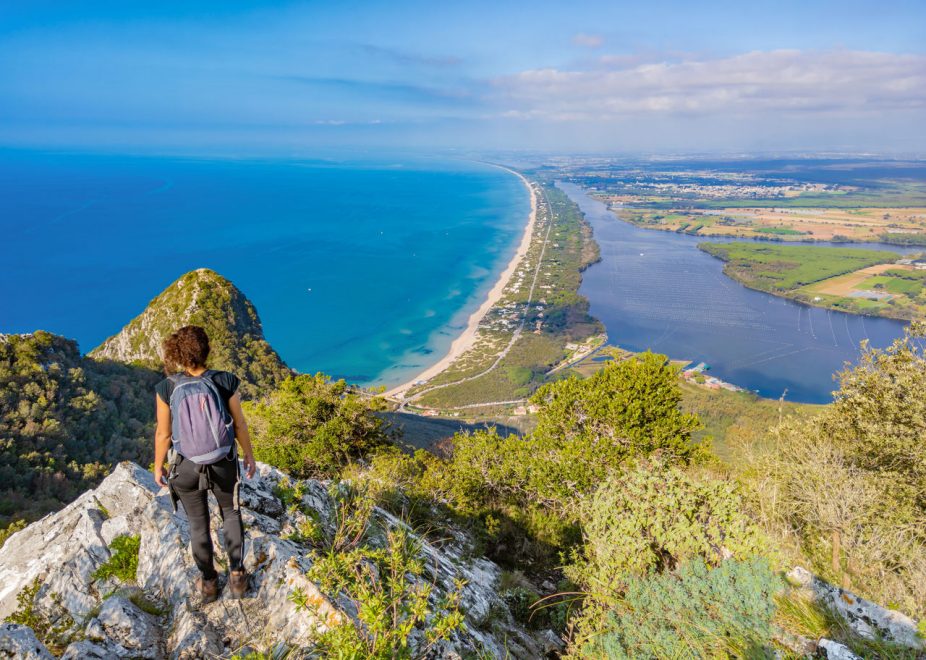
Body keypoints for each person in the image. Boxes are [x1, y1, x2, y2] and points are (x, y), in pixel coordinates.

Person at [152, 325, 258, 603]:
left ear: (176, 355)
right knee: (230, 514)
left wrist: (158, 465)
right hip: (223, 461)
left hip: (186, 467)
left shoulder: (166, 387)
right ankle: (237, 578)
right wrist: (248, 454)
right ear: (206, 350)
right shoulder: (225, 380)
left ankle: (209, 584)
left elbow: (163, 433)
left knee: (198, 524)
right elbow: (239, 424)